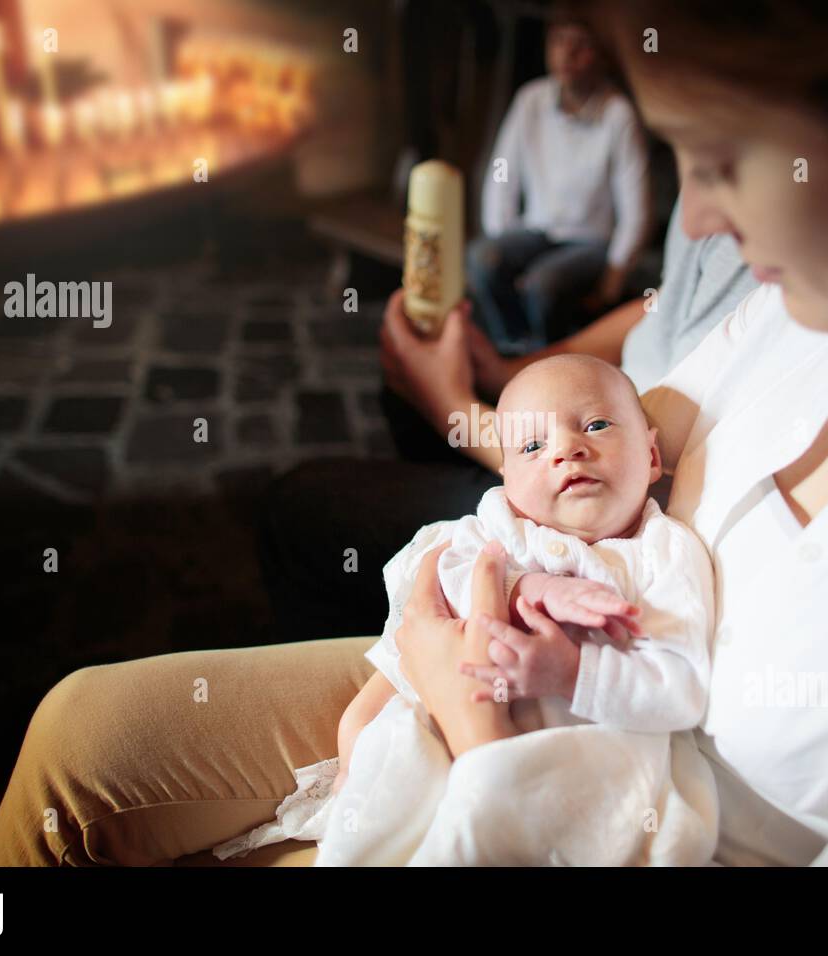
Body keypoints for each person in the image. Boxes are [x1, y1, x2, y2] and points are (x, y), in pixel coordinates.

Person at [0, 0, 828, 867]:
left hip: (598, 821)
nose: (694, 218)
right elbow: (618, 413)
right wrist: (470, 448)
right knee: (85, 734)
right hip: (491, 676)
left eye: (718, 154)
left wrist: (479, 724)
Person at [214, 355, 717, 865]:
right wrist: (526, 587)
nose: (566, 449)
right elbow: (436, 578)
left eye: (597, 425)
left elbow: (683, 689)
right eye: (532, 446)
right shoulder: (499, 532)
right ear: (507, 480)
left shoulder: (664, 552)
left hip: (586, 777)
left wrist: (570, 671)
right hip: (434, 749)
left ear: (652, 456)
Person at [261, 201, 754, 644]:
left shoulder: (666, 555)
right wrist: (514, 372)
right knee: (400, 395)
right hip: (588, 414)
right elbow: (661, 305)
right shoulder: (711, 190)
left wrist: (452, 405)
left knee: (296, 507)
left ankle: (345, 635)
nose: (688, 214)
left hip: (602, 490)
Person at [467, 1, 651, 352]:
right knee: (481, 258)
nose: (567, 54)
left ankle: (551, 356)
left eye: (580, 45)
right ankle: (514, 345)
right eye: (559, 41)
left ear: (601, 55)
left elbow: (636, 208)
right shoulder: (531, 100)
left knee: (543, 284)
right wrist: (504, 243)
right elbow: (501, 177)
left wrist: (614, 277)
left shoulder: (618, 115)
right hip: (537, 232)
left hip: (590, 242)